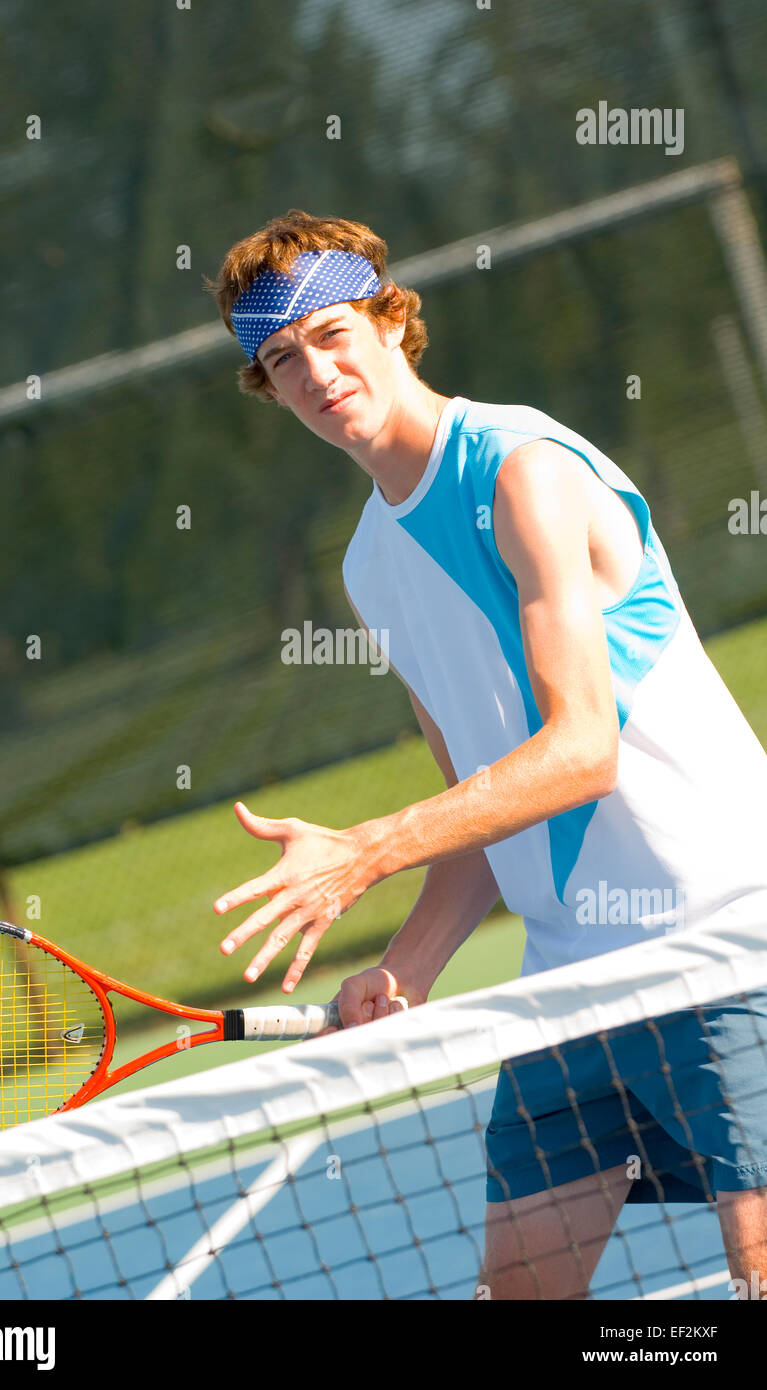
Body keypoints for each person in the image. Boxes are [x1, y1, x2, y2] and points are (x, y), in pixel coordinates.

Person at [206, 209, 767, 1299]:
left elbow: (578, 752)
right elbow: (483, 793)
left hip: (723, 942)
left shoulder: (519, 470)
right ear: (265, 389)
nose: (314, 370)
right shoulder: (371, 565)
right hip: (568, 979)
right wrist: (407, 965)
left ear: (388, 320)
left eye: (329, 333)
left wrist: (362, 851)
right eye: (280, 359)